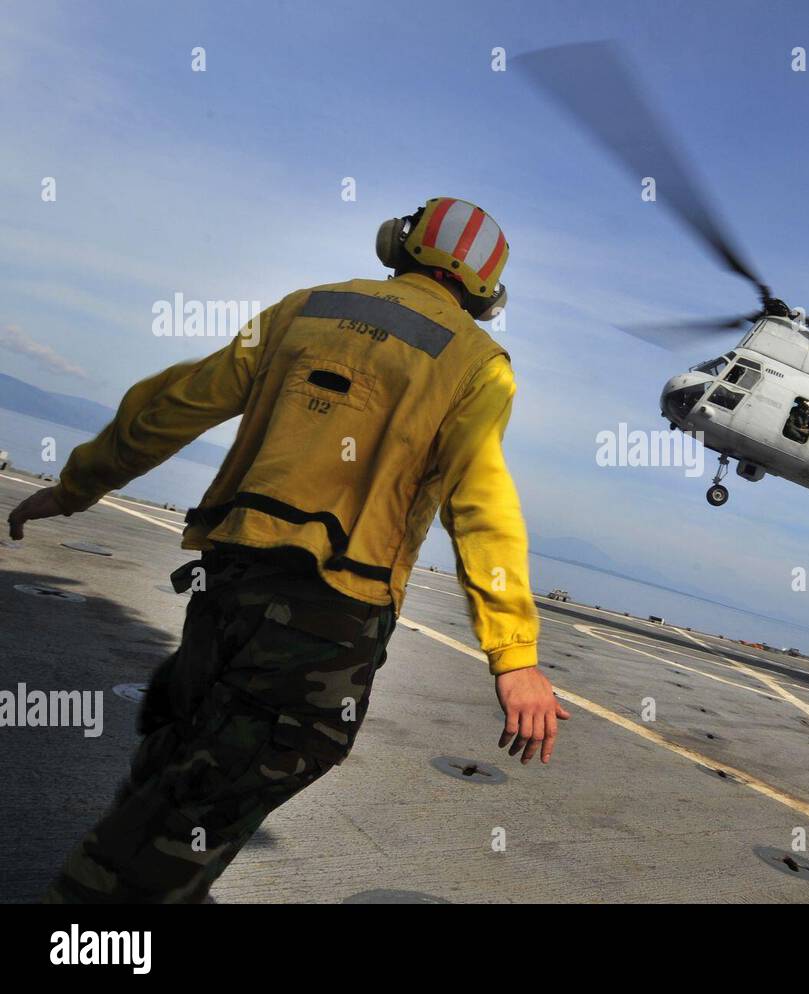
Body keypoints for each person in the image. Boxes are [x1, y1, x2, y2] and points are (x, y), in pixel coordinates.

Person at [7, 197, 569, 903]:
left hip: (226, 584)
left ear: (401, 243)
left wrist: (78, 484)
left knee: (182, 756)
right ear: (487, 292)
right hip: (328, 614)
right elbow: (480, 502)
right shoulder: (479, 364)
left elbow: (175, 401)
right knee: (204, 801)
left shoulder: (307, 308)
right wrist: (513, 654)